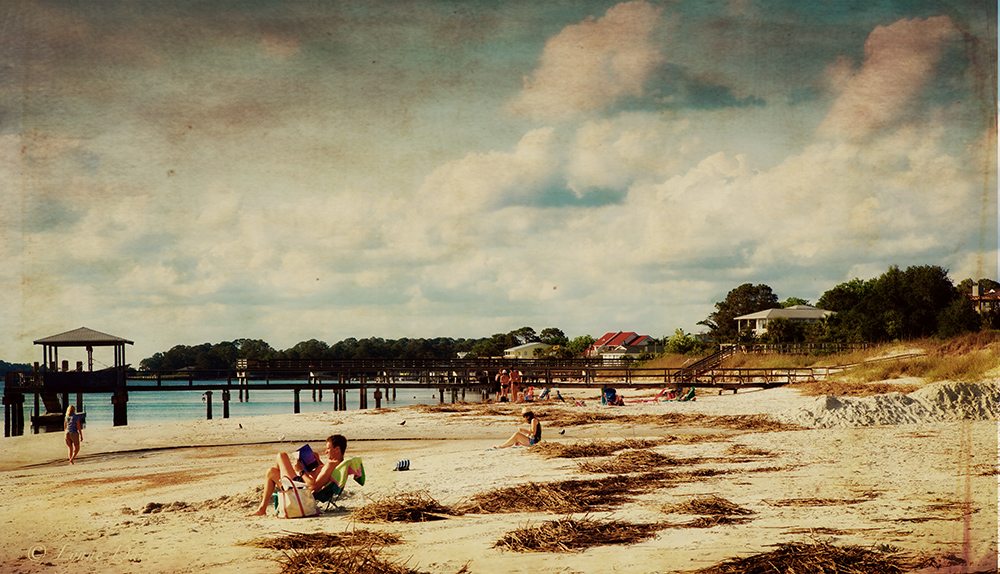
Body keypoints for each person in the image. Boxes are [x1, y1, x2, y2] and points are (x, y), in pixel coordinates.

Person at [247, 434, 347, 517]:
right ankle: (262, 508)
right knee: (271, 472)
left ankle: (279, 494)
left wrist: (301, 470)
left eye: (328, 448)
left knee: (281, 456)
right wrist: (318, 462)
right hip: (300, 485)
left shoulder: (331, 465)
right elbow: (320, 477)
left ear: (337, 449)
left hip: (299, 489)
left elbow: (314, 486)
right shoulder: (337, 465)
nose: (326, 451)